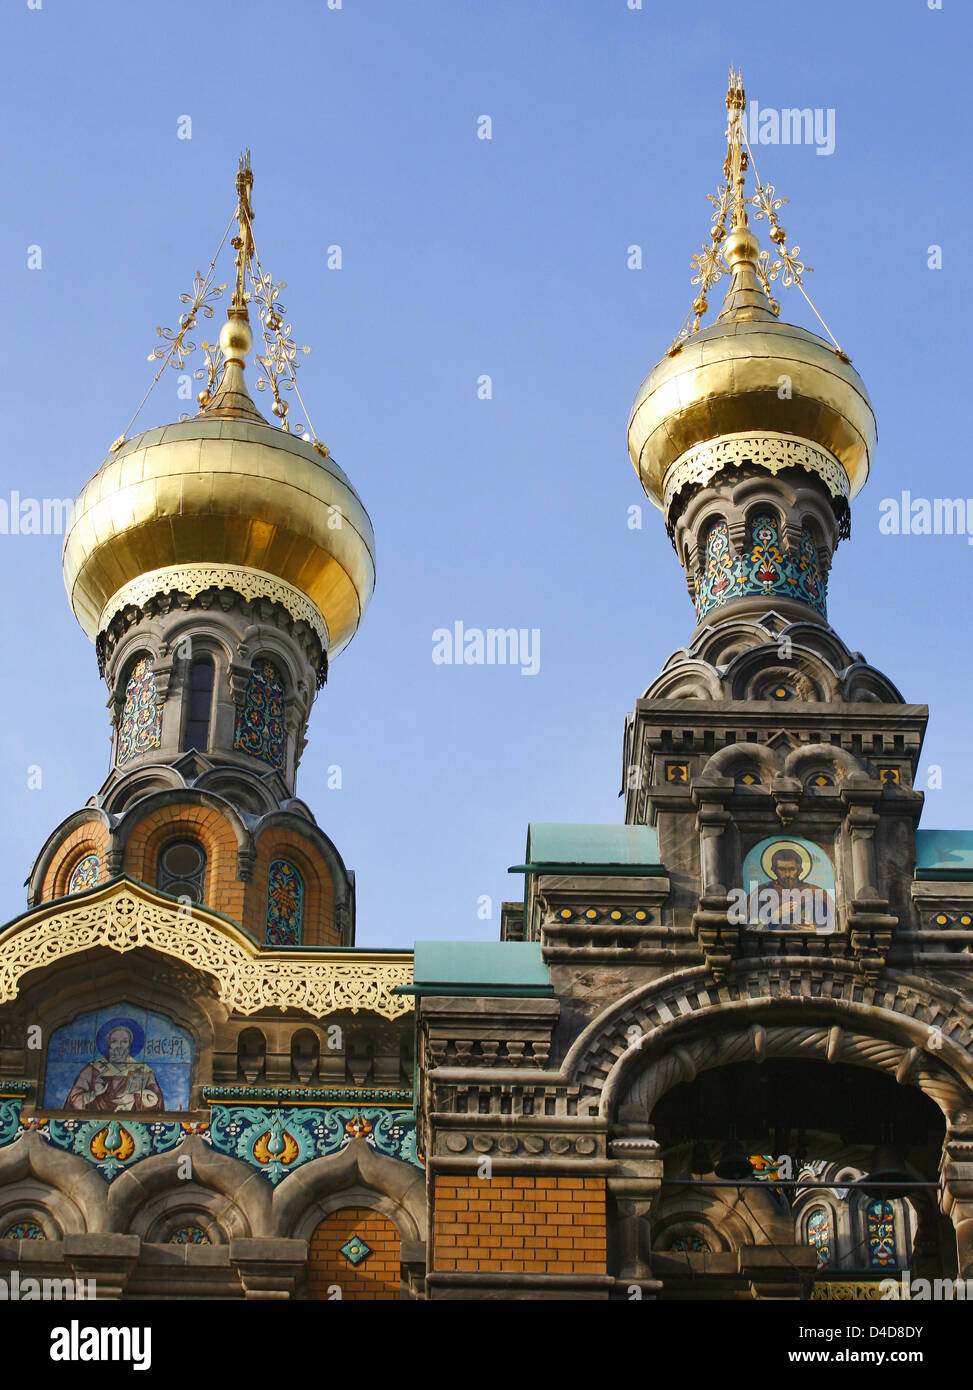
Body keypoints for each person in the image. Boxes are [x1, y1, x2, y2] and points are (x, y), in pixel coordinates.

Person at [64, 1024, 165, 1112]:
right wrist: (93, 1094)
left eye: (124, 1042)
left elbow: (157, 1103)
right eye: (114, 1041)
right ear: (109, 1044)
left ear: (129, 1045)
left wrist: (134, 1097)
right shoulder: (93, 1069)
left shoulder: (143, 1070)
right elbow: (73, 1100)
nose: (119, 1046)